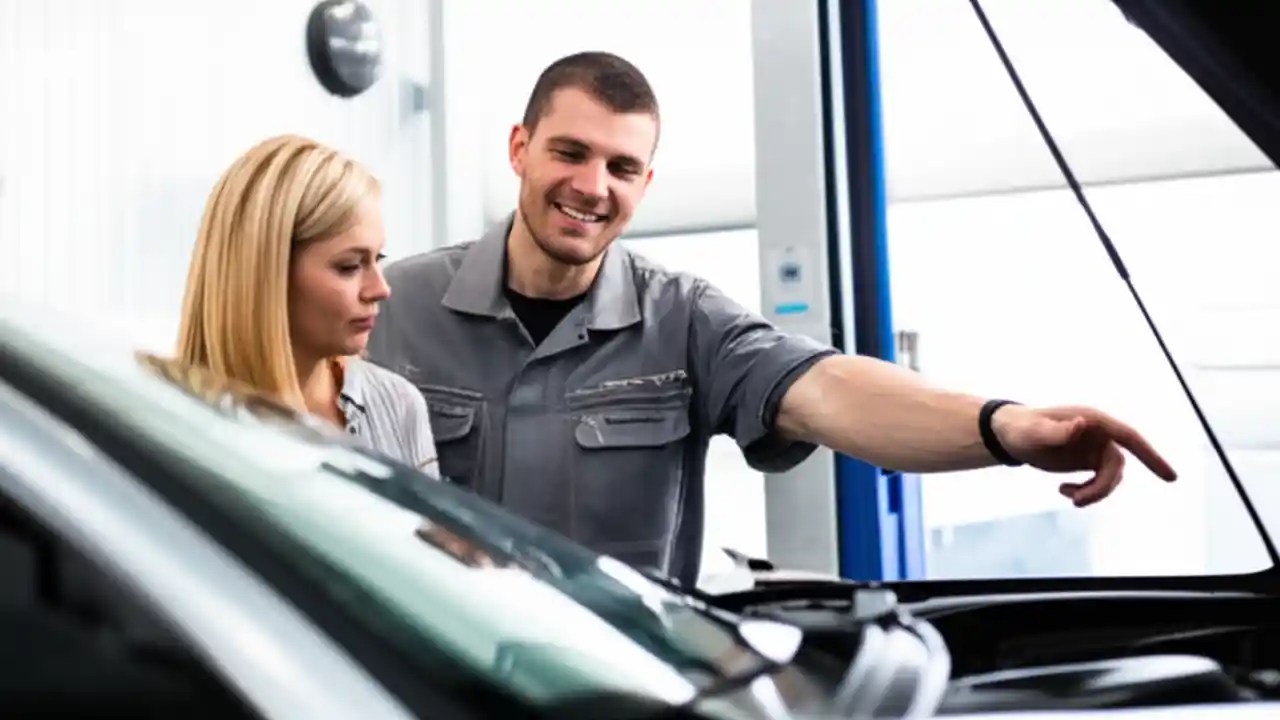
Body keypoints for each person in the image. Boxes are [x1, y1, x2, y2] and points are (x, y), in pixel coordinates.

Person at [366, 52, 1175, 586]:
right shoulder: (389, 310)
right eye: (570, 153)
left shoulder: (682, 319)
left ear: (647, 181)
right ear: (519, 148)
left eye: (622, 166)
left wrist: (1008, 428)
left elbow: (831, 391)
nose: (592, 185)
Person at [175, 134, 439, 478]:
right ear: (265, 275)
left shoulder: (399, 405)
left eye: (378, 258)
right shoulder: (175, 428)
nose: (380, 289)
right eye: (349, 266)